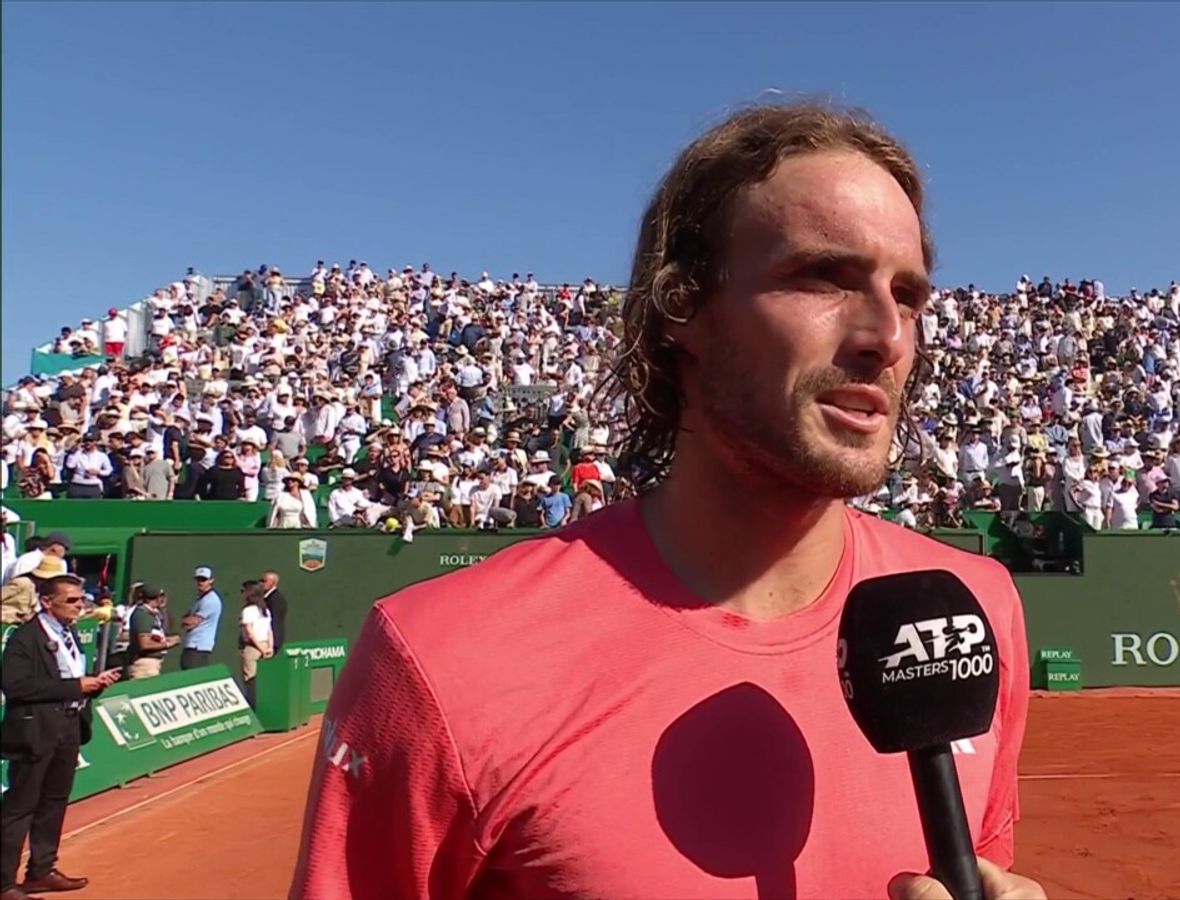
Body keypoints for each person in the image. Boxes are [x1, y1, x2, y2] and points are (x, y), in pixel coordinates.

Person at [291, 102, 1041, 899]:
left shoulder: (973, 610)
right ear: (681, 305)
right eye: (824, 275)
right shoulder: (439, 661)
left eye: (910, 295)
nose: (887, 336)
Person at [1, 574, 121, 899]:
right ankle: (4, 882)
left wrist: (93, 685)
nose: (79, 606)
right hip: (34, 731)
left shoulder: (69, 634)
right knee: (20, 807)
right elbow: (15, 686)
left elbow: (70, 676)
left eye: (81, 599)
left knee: (54, 802)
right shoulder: (24, 639)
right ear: (46, 602)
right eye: (71, 600)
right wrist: (76, 687)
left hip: (68, 727)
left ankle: (41, 871)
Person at [123, 583, 179, 679]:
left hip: (152, 664)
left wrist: (169, 639)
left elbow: (154, 636)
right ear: (157, 598)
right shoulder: (142, 614)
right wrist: (168, 644)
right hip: (143, 665)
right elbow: (145, 644)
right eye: (162, 596)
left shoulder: (152, 613)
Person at [180, 566, 223, 670]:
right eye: (198, 579)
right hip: (193, 646)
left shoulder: (210, 600)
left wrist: (184, 621)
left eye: (203, 579)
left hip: (198, 647)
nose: (200, 582)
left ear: (211, 580)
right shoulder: (201, 599)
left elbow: (192, 622)